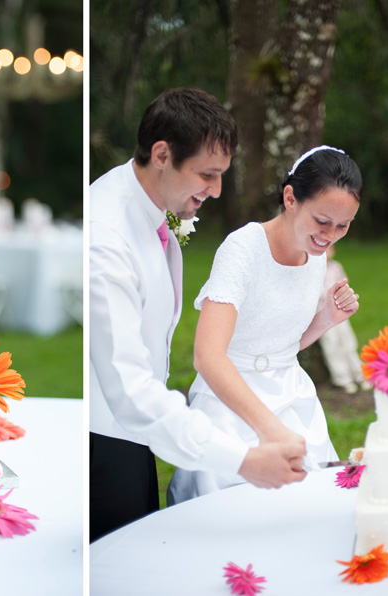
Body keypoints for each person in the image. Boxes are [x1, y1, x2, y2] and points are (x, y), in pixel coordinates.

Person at [90, 87, 307, 542]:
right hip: (104, 436)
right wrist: (242, 459)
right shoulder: (106, 238)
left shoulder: (153, 203)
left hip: (137, 432)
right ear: (162, 154)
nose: (216, 190)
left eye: (223, 175)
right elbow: (127, 387)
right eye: (207, 174)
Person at [167, 145, 362, 504]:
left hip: (294, 400)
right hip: (229, 405)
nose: (330, 236)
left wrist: (325, 321)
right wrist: (269, 430)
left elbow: (277, 346)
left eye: (343, 226)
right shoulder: (243, 248)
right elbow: (208, 357)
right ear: (290, 198)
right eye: (322, 221)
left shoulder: (314, 256)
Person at [318, 244, 368, 393]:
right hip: (322, 315)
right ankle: (342, 378)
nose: (327, 252)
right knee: (332, 344)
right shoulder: (314, 269)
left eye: (330, 248)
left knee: (347, 342)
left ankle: (359, 374)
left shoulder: (335, 267)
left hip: (340, 311)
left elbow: (344, 284)